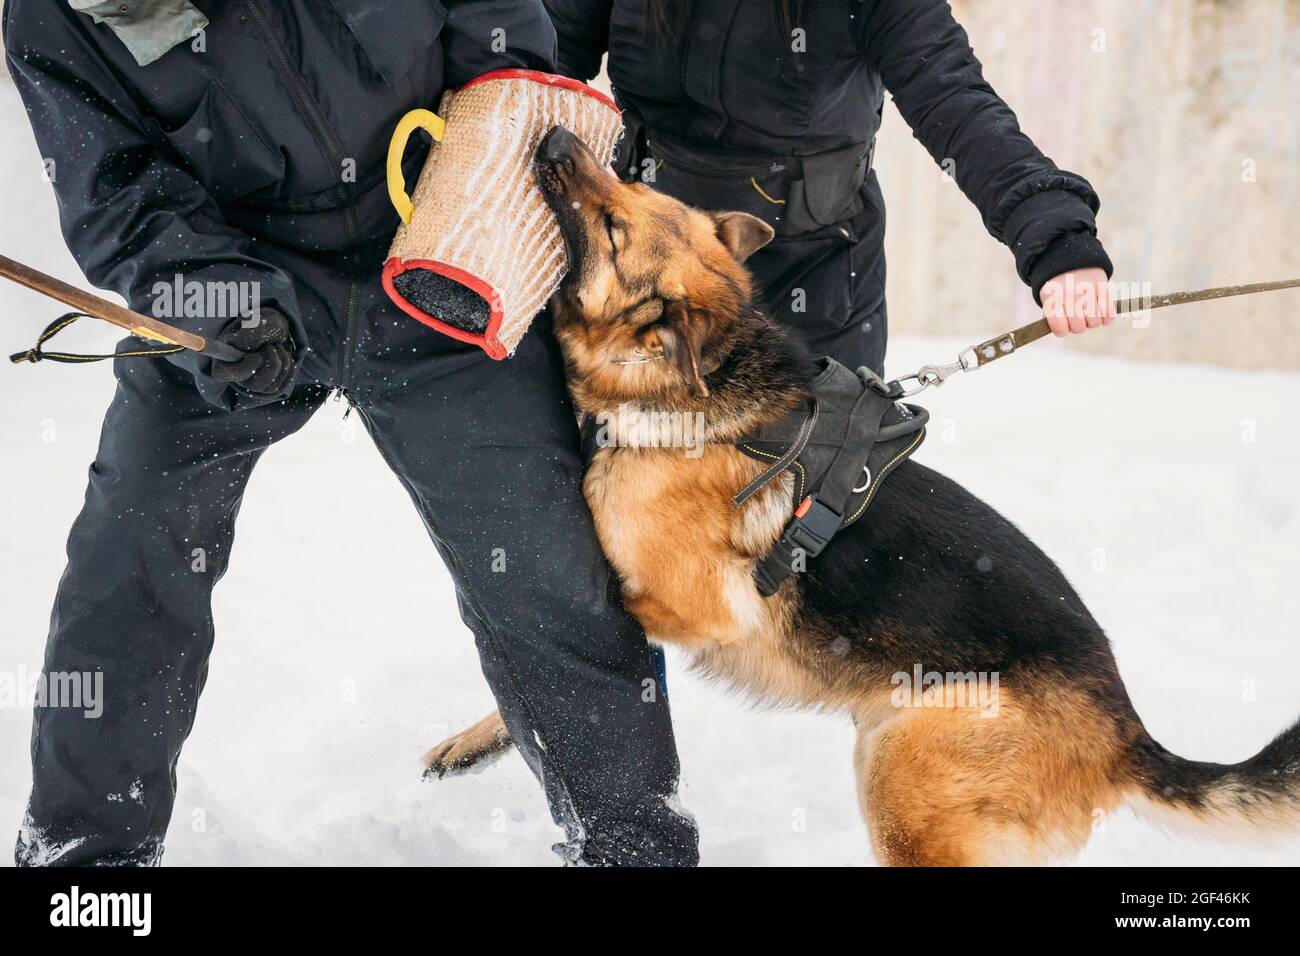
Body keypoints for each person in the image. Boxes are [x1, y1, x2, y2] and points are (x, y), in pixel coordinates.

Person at [5, 0, 696, 867]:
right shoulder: (50, 15)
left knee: (541, 559)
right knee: (129, 552)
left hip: (434, 240)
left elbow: (498, 28)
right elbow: (114, 185)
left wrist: (485, 166)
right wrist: (214, 297)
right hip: (238, 287)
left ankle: (634, 848)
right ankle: (82, 869)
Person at [546, 0, 1117, 376]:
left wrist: (1054, 237)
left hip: (814, 281)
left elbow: (955, 102)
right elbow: (543, 58)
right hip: (636, 274)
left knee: (808, 524)